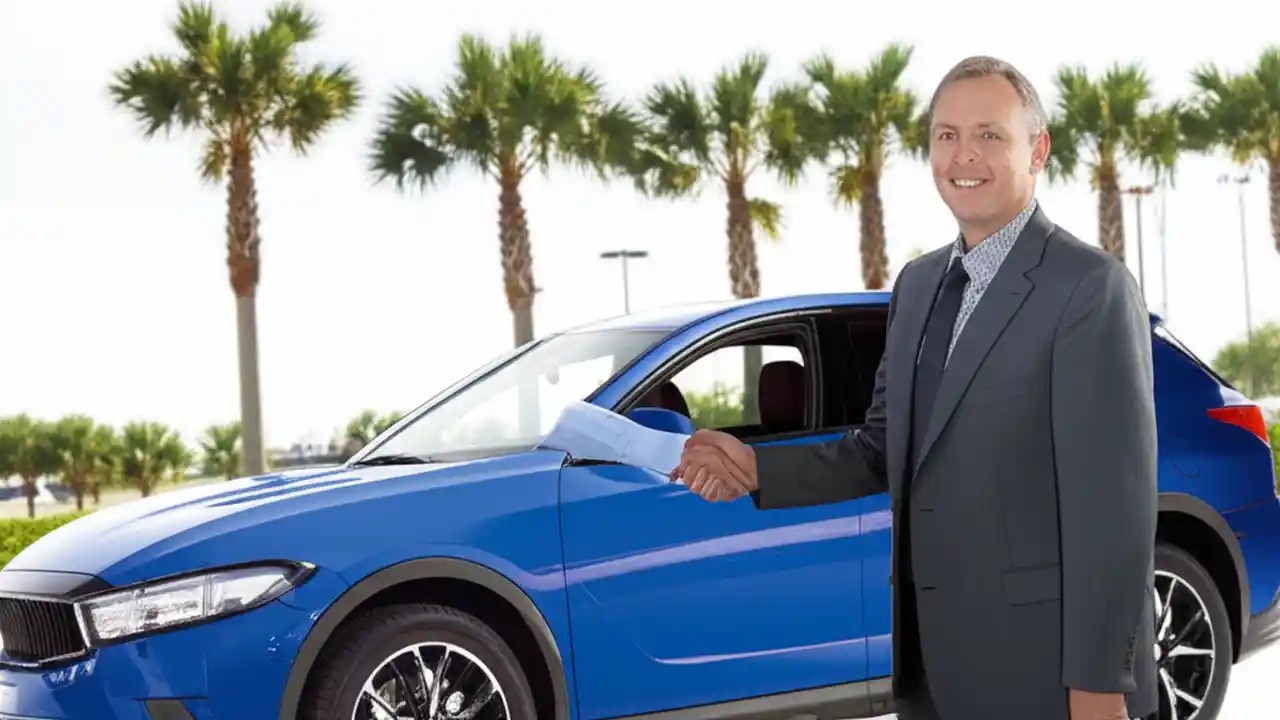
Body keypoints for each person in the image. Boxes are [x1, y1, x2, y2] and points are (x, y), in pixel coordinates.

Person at [670, 55, 1158, 720]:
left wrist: (1102, 684)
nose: (965, 155)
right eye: (946, 135)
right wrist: (756, 466)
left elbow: (1113, 514)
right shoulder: (918, 286)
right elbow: (882, 447)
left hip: (1045, 675)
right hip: (930, 667)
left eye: (990, 134)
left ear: (1037, 150)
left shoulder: (1087, 287)